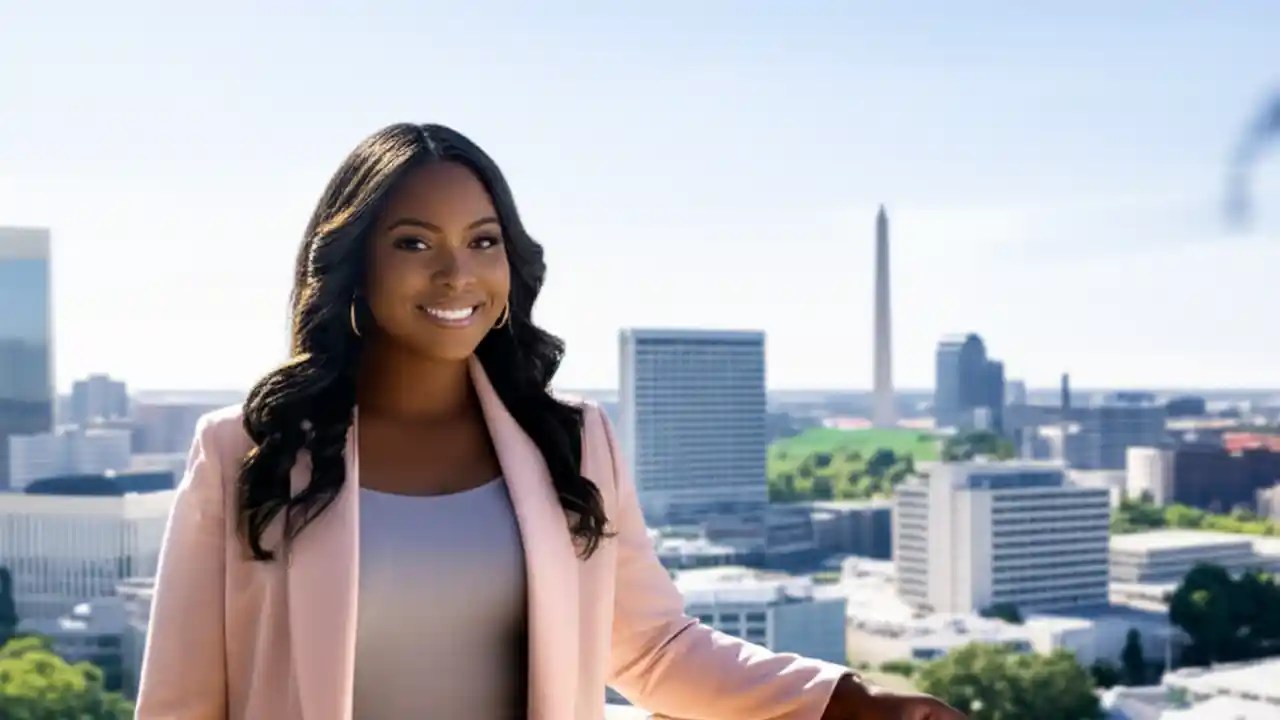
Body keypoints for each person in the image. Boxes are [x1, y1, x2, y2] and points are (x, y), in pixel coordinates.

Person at [135, 123, 965, 720]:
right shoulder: (246, 451)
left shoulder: (572, 442)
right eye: (415, 244)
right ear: (354, 261)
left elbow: (652, 652)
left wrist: (845, 701)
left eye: (483, 240)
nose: (458, 273)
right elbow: (179, 702)